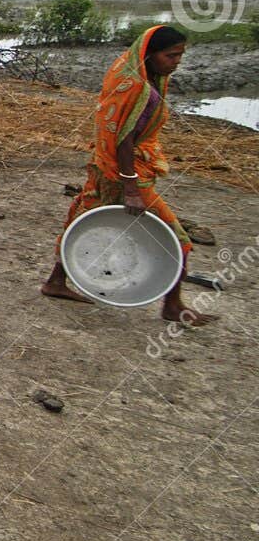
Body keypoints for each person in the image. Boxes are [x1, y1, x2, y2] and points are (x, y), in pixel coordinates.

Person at [41, 24, 214, 326]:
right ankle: (172, 306)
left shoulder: (135, 79)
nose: (177, 62)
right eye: (171, 55)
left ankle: (55, 282)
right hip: (124, 174)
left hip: (106, 168)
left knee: (82, 218)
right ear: (149, 55)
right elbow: (123, 139)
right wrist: (131, 187)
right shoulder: (139, 90)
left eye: (180, 56)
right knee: (176, 239)